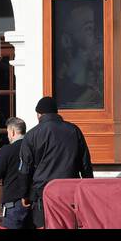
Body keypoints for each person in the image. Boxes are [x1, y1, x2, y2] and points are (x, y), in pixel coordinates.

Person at [19, 96, 93, 228]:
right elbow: (85, 163)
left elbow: (25, 168)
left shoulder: (31, 135)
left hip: (43, 193)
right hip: (70, 192)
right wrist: (89, 187)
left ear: (39, 114)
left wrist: (24, 194)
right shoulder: (74, 130)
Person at [0, 117, 31, 229]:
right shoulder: (33, 147)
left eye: (7, 132)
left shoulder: (7, 150)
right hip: (32, 201)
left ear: (12, 132)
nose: (7, 136)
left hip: (13, 202)